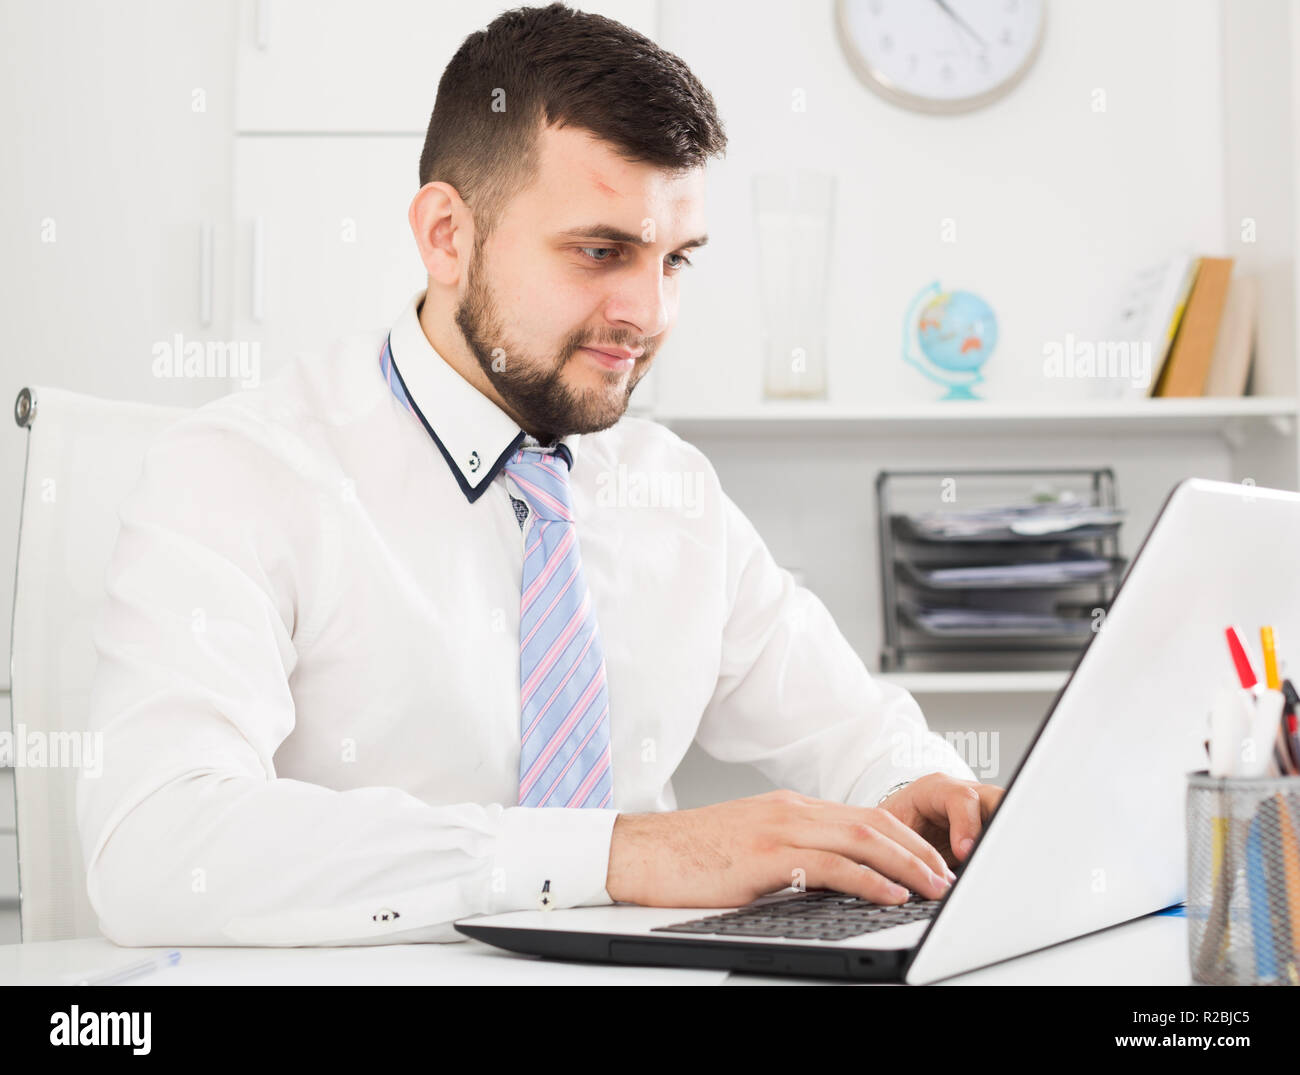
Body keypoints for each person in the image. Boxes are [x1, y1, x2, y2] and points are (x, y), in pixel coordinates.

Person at [78, 2, 1002, 947]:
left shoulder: (670, 488)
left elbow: (853, 728)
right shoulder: (240, 472)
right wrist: (613, 854)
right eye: (601, 252)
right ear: (446, 234)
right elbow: (153, 847)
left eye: (674, 260)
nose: (647, 312)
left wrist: (919, 789)